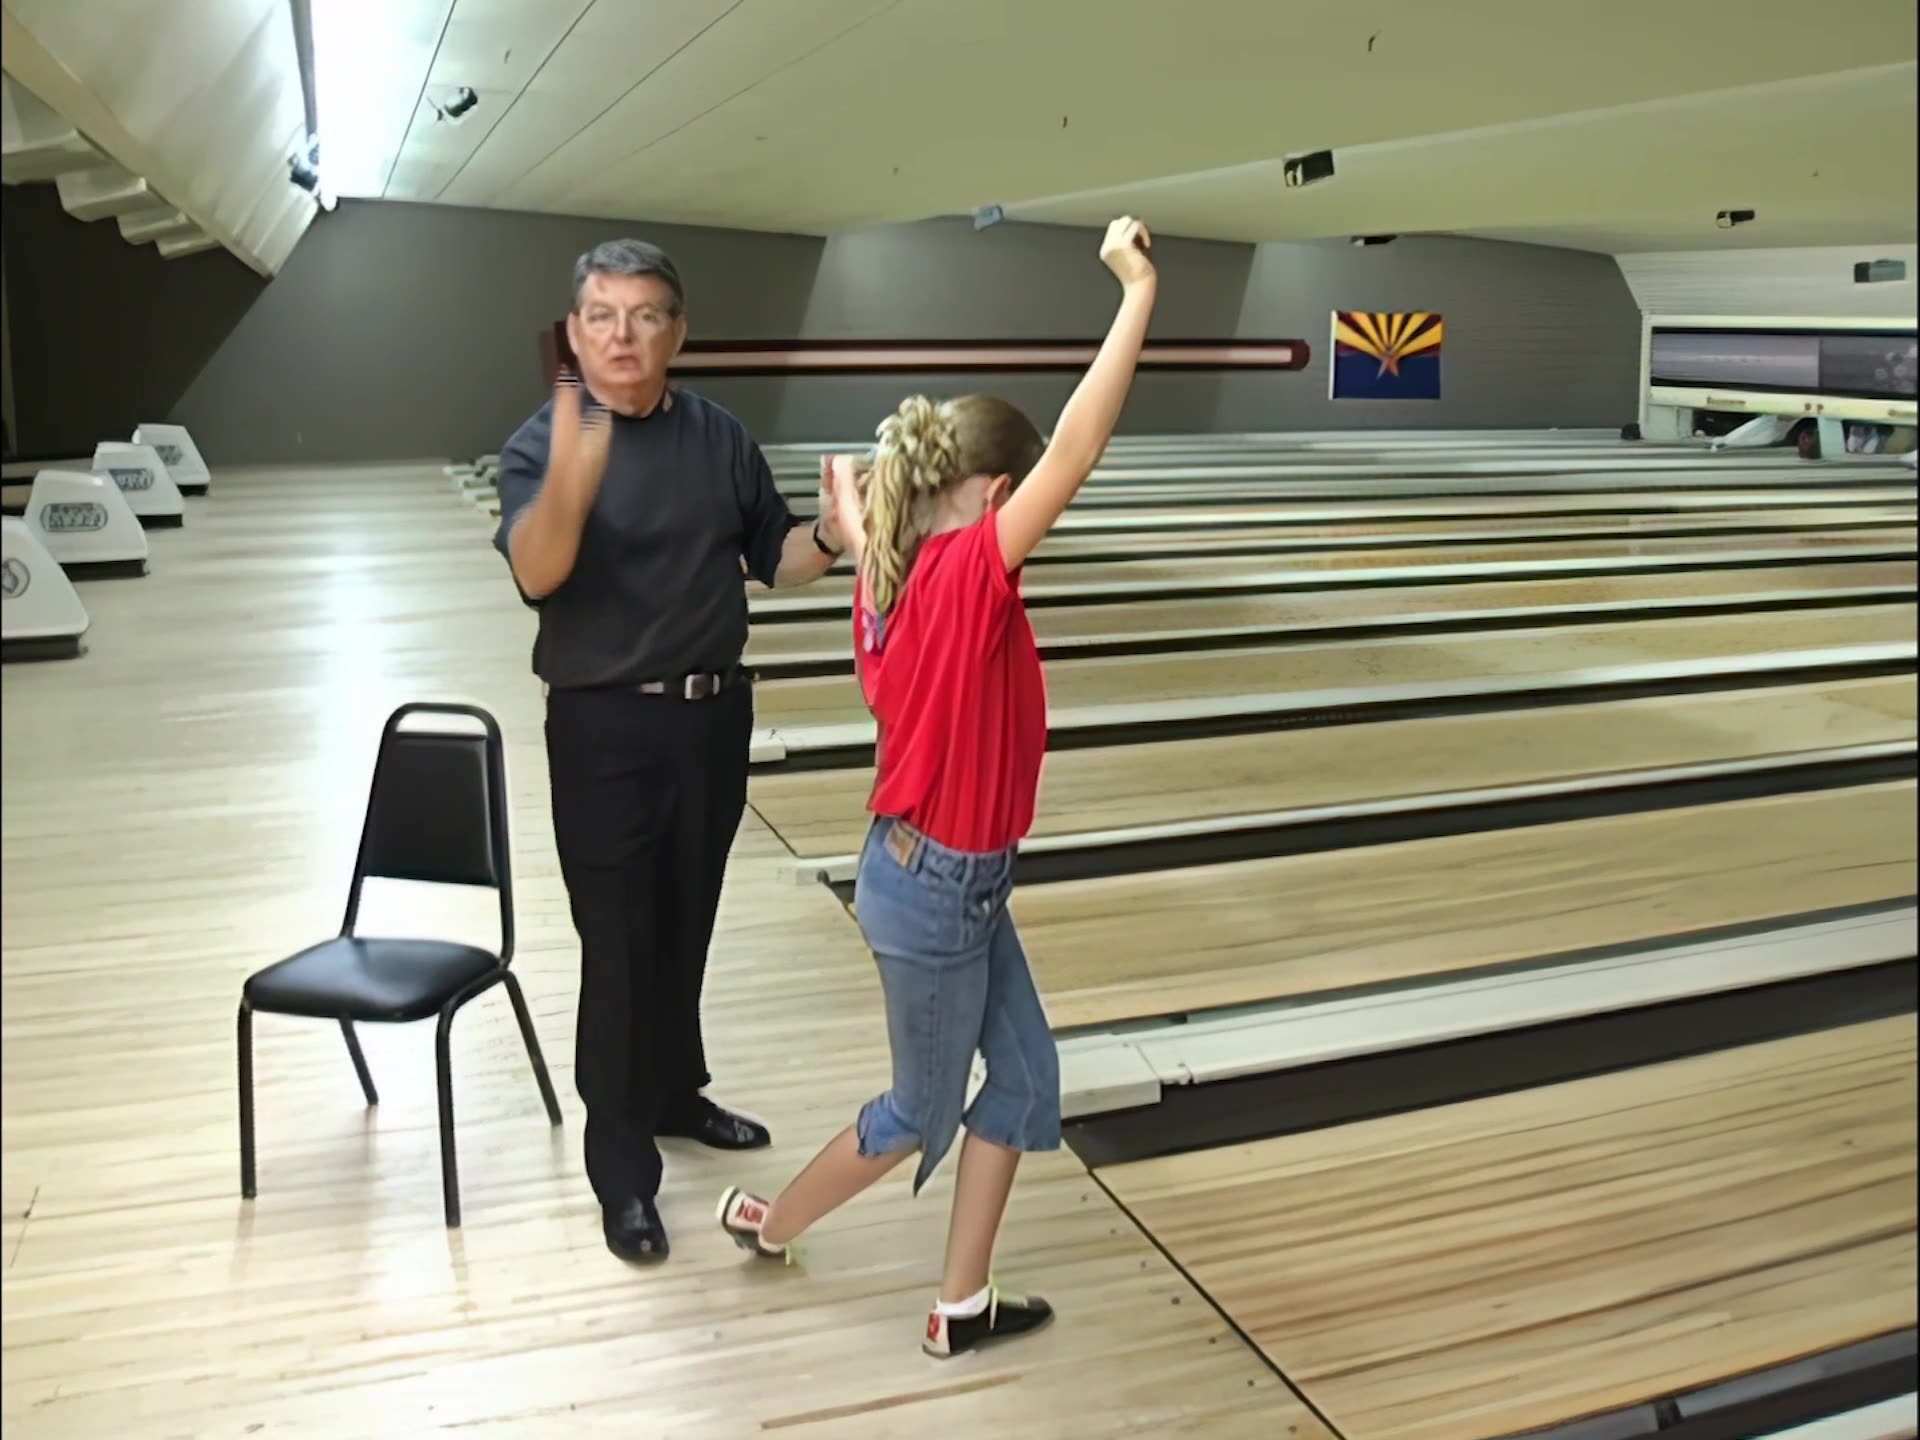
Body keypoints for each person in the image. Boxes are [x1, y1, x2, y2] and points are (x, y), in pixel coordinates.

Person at [716, 216, 1158, 1356]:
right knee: (920, 1107)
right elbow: (1079, 447)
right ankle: (775, 1223)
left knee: (1024, 1079)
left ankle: (960, 1304)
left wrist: (859, 510)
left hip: (945, 879)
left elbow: (871, 534)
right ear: (997, 492)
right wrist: (1136, 293)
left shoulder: (889, 577)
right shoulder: (966, 574)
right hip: (937, 890)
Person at [493, 238, 847, 1264]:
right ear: (574, 333)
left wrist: (831, 534)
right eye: (602, 315)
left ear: (677, 332)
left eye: (645, 315)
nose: (623, 335)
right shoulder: (540, 446)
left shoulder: (719, 436)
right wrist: (575, 475)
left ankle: (672, 1094)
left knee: (685, 923)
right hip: (602, 728)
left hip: (711, 720)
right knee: (618, 946)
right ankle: (622, 1172)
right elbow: (537, 573)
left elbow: (776, 557)